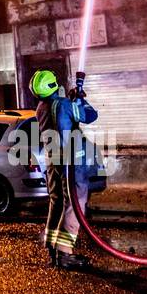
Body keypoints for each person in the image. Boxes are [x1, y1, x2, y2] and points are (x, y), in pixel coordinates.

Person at [31, 69, 99, 270]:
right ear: (53, 86)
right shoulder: (64, 105)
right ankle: (65, 252)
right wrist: (80, 100)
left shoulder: (41, 107)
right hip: (71, 163)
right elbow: (90, 116)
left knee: (57, 201)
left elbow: (61, 113)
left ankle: (52, 246)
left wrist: (72, 100)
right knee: (74, 205)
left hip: (53, 161)